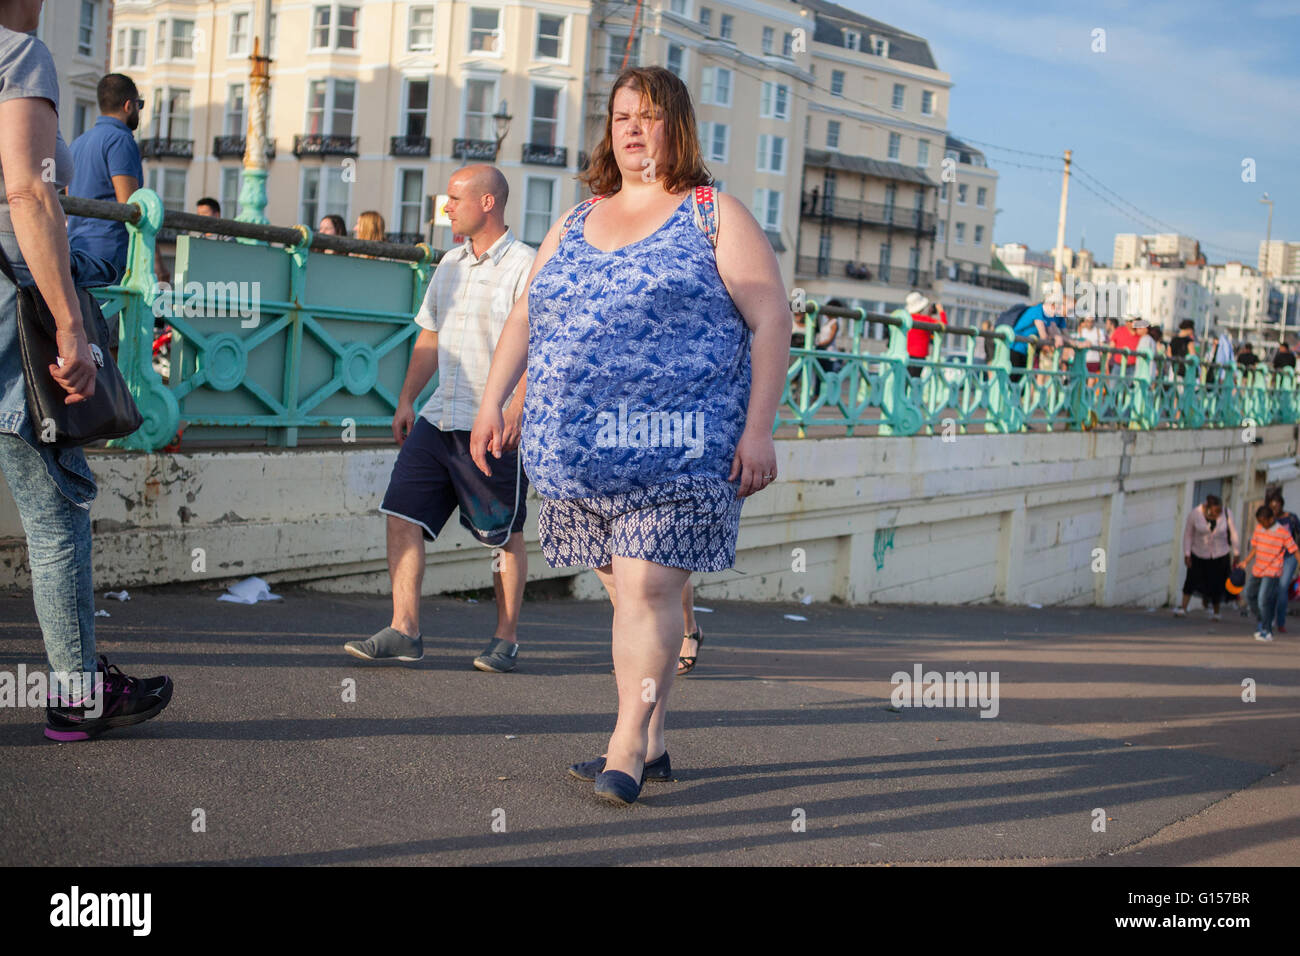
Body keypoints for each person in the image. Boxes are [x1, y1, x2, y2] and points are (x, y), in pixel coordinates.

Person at [470, 66, 790, 806]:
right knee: (629, 594)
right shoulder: (576, 218)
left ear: (676, 124)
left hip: (682, 444)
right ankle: (653, 740)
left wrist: (760, 430)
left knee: (645, 585)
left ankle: (623, 749)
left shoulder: (713, 213)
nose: (633, 129)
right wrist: (499, 399)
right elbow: (528, 315)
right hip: (578, 451)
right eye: (621, 118)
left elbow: (772, 318)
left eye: (648, 115)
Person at [0, 2, 173, 740]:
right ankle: (77, 693)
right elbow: (31, 191)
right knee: (54, 507)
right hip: (10, 310)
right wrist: (70, 322)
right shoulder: (18, 51)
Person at [342, 166, 535, 672]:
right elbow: (430, 336)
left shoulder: (527, 266)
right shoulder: (448, 263)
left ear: (488, 202)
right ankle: (405, 629)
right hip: (438, 415)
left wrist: (515, 409)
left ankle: (506, 637)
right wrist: (407, 399)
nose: (445, 206)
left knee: (501, 535)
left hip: (489, 423)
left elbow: (541, 349)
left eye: (454, 198)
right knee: (401, 513)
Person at [64, 73, 143, 290]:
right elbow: (130, 206)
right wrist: (154, 260)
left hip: (77, 248)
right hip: (110, 255)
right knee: (108, 322)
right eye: (140, 104)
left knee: (87, 320)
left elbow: (70, 198)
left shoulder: (78, 144)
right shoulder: (121, 139)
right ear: (129, 105)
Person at [1239, 503, 1297, 642]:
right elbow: (1255, 547)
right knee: (1248, 594)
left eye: (1263, 521)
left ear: (1271, 519)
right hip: (1258, 569)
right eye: (1259, 521)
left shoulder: (1283, 532)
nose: (1261, 524)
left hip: (1272, 571)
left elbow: (1294, 550)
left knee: (1263, 599)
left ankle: (1267, 631)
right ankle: (1265, 619)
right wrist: (1246, 561)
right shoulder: (1259, 529)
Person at [1175, 494, 1237, 619]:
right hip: (1198, 552)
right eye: (1215, 511)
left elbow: (1234, 533)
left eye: (1219, 511)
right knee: (1191, 580)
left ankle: (1216, 613)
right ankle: (1183, 608)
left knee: (1217, 584)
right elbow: (1188, 534)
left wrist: (1236, 552)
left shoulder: (1227, 513)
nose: (1217, 514)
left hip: (1220, 554)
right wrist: (1187, 553)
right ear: (1207, 507)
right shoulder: (1195, 514)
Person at [1265, 488, 1300, 633]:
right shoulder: (1267, 519)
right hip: (1272, 558)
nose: (1275, 509)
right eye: (1272, 506)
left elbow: (1298, 535)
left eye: (1277, 505)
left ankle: (1281, 622)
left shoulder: (1291, 518)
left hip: (1289, 556)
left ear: (1281, 505)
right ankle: (1268, 618)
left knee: (1283, 587)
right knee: (1271, 589)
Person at [901, 291, 947, 379]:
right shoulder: (925, 319)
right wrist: (941, 311)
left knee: (904, 380)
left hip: (905, 353)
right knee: (915, 379)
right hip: (920, 355)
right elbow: (943, 324)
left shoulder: (905, 317)